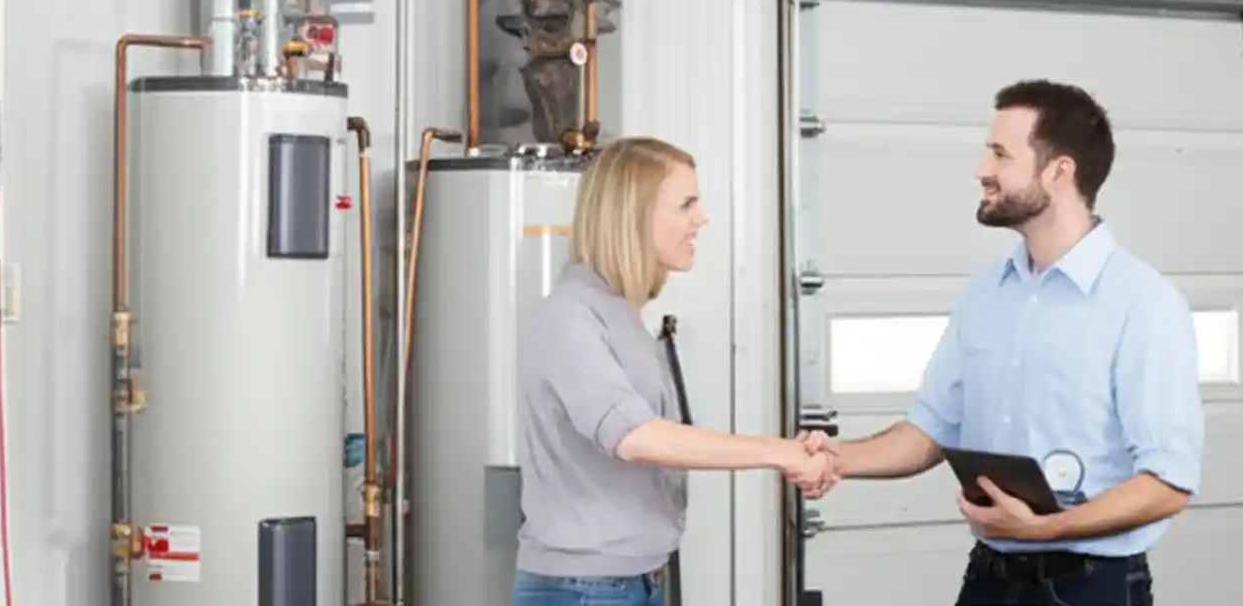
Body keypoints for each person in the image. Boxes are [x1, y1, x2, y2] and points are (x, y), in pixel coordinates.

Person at [815, 80, 1205, 605]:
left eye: (1000, 154)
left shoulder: (1143, 302)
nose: (982, 170)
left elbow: (1167, 483)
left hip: (1092, 588)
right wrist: (834, 458)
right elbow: (931, 429)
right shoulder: (987, 292)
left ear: (1059, 171)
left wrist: (1042, 530)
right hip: (990, 579)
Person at [510, 136, 836, 606]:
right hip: (585, 589)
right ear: (634, 214)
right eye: (686, 204)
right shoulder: (569, 315)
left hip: (628, 581)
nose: (700, 219)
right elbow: (636, 437)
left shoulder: (620, 315)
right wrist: (782, 452)